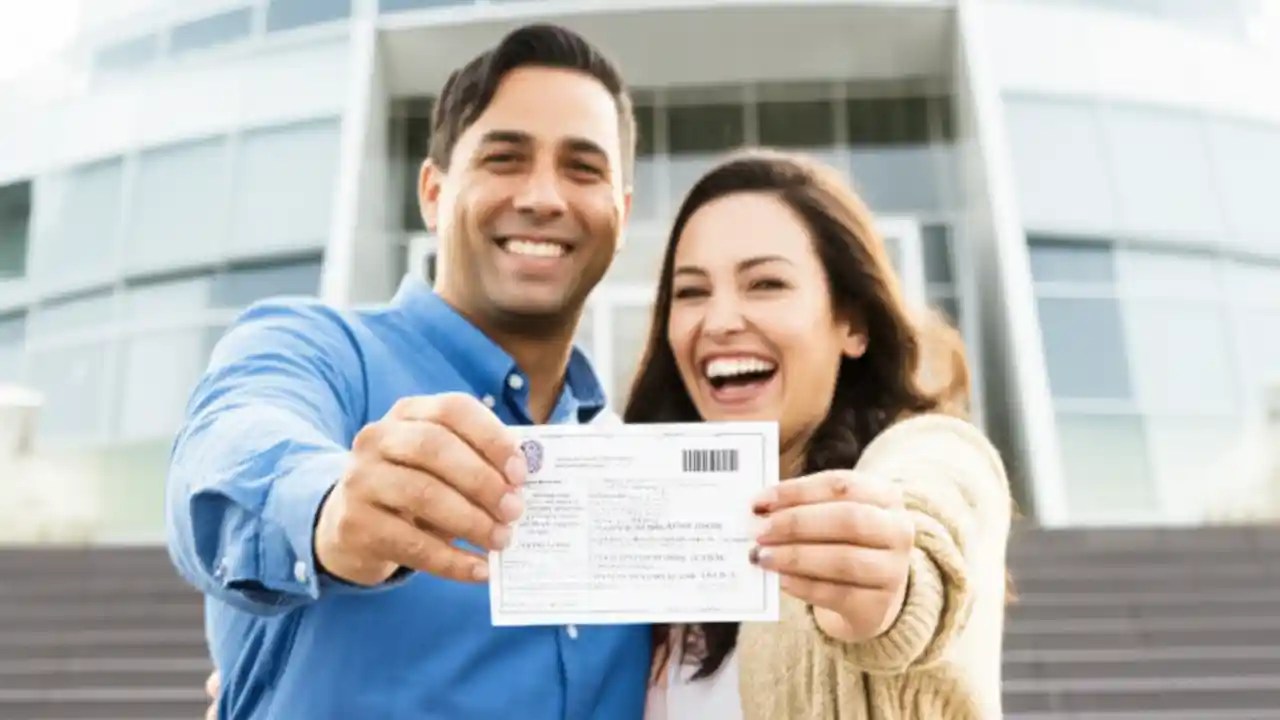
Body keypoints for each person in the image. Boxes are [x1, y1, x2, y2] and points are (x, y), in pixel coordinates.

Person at [167, 23, 653, 719]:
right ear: (432, 192)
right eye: (505, 158)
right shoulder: (319, 349)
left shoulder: (635, 466)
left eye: (583, 167)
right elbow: (227, 447)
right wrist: (331, 507)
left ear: (622, 212)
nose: (544, 196)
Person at [627, 150, 1012, 719]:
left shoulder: (926, 451)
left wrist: (890, 581)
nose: (721, 320)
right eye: (691, 292)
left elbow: (930, 520)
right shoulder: (661, 536)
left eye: (765, 283)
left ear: (852, 323)